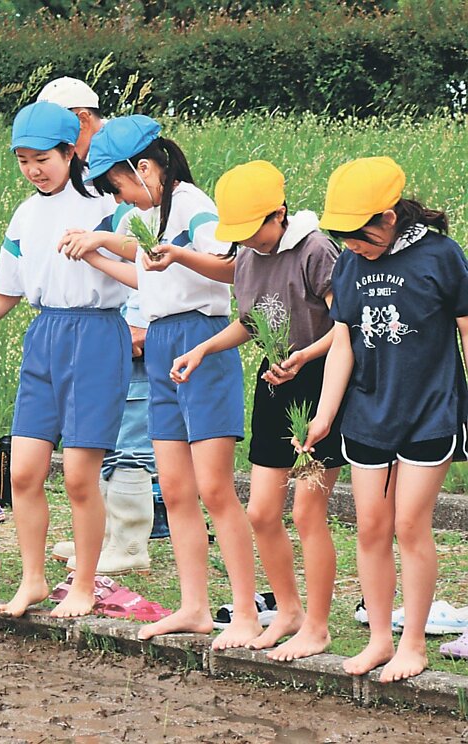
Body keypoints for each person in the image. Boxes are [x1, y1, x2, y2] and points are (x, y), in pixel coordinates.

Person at [61, 115, 259, 649]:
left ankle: (245, 611)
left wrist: (171, 252)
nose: (121, 201)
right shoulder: (144, 216)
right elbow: (146, 272)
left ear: (146, 168)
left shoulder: (194, 205)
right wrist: (100, 249)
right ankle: (193, 607)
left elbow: (231, 265)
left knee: (215, 488)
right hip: (164, 343)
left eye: (120, 187)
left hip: (203, 340)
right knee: (174, 489)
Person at [0, 102, 130, 619]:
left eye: (42, 158)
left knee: (78, 475)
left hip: (96, 336)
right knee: (24, 473)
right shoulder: (25, 214)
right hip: (44, 334)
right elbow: (5, 292)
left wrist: (100, 246)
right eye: (23, 160)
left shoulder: (104, 204)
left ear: (71, 151)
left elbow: (142, 263)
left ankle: (85, 584)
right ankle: (31, 579)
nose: (33, 169)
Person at [300, 157, 468, 683]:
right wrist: (326, 415)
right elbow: (344, 344)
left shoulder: (441, 256)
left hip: (430, 410)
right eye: (343, 236)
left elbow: (467, 329)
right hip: (368, 411)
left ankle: (413, 644)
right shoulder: (352, 263)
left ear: (389, 217)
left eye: (359, 236)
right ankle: (379, 639)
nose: (351, 246)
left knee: (409, 524)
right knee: (370, 526)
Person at [172, 160, 344, 661]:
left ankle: (318, 625)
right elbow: (251, 323)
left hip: (320, 380)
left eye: (256, 229)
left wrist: (305, 357)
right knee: (262, 511)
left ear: (280, 213)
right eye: (240, 233)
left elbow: (345, 326)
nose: (250, 241)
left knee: (308, 510)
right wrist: (205, 349)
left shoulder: (315, 249)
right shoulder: (247, 256)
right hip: (275, 381)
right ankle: (287, 610)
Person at [39, 76, 157, 578]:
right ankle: (104, 533)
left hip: (130, 320)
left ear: (83, 120)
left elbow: (146, 244)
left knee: (130, 431)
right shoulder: (84, 173)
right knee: (99, 434)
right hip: (93, 326)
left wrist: (140, 319)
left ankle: (129, 542)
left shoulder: (119, 166)